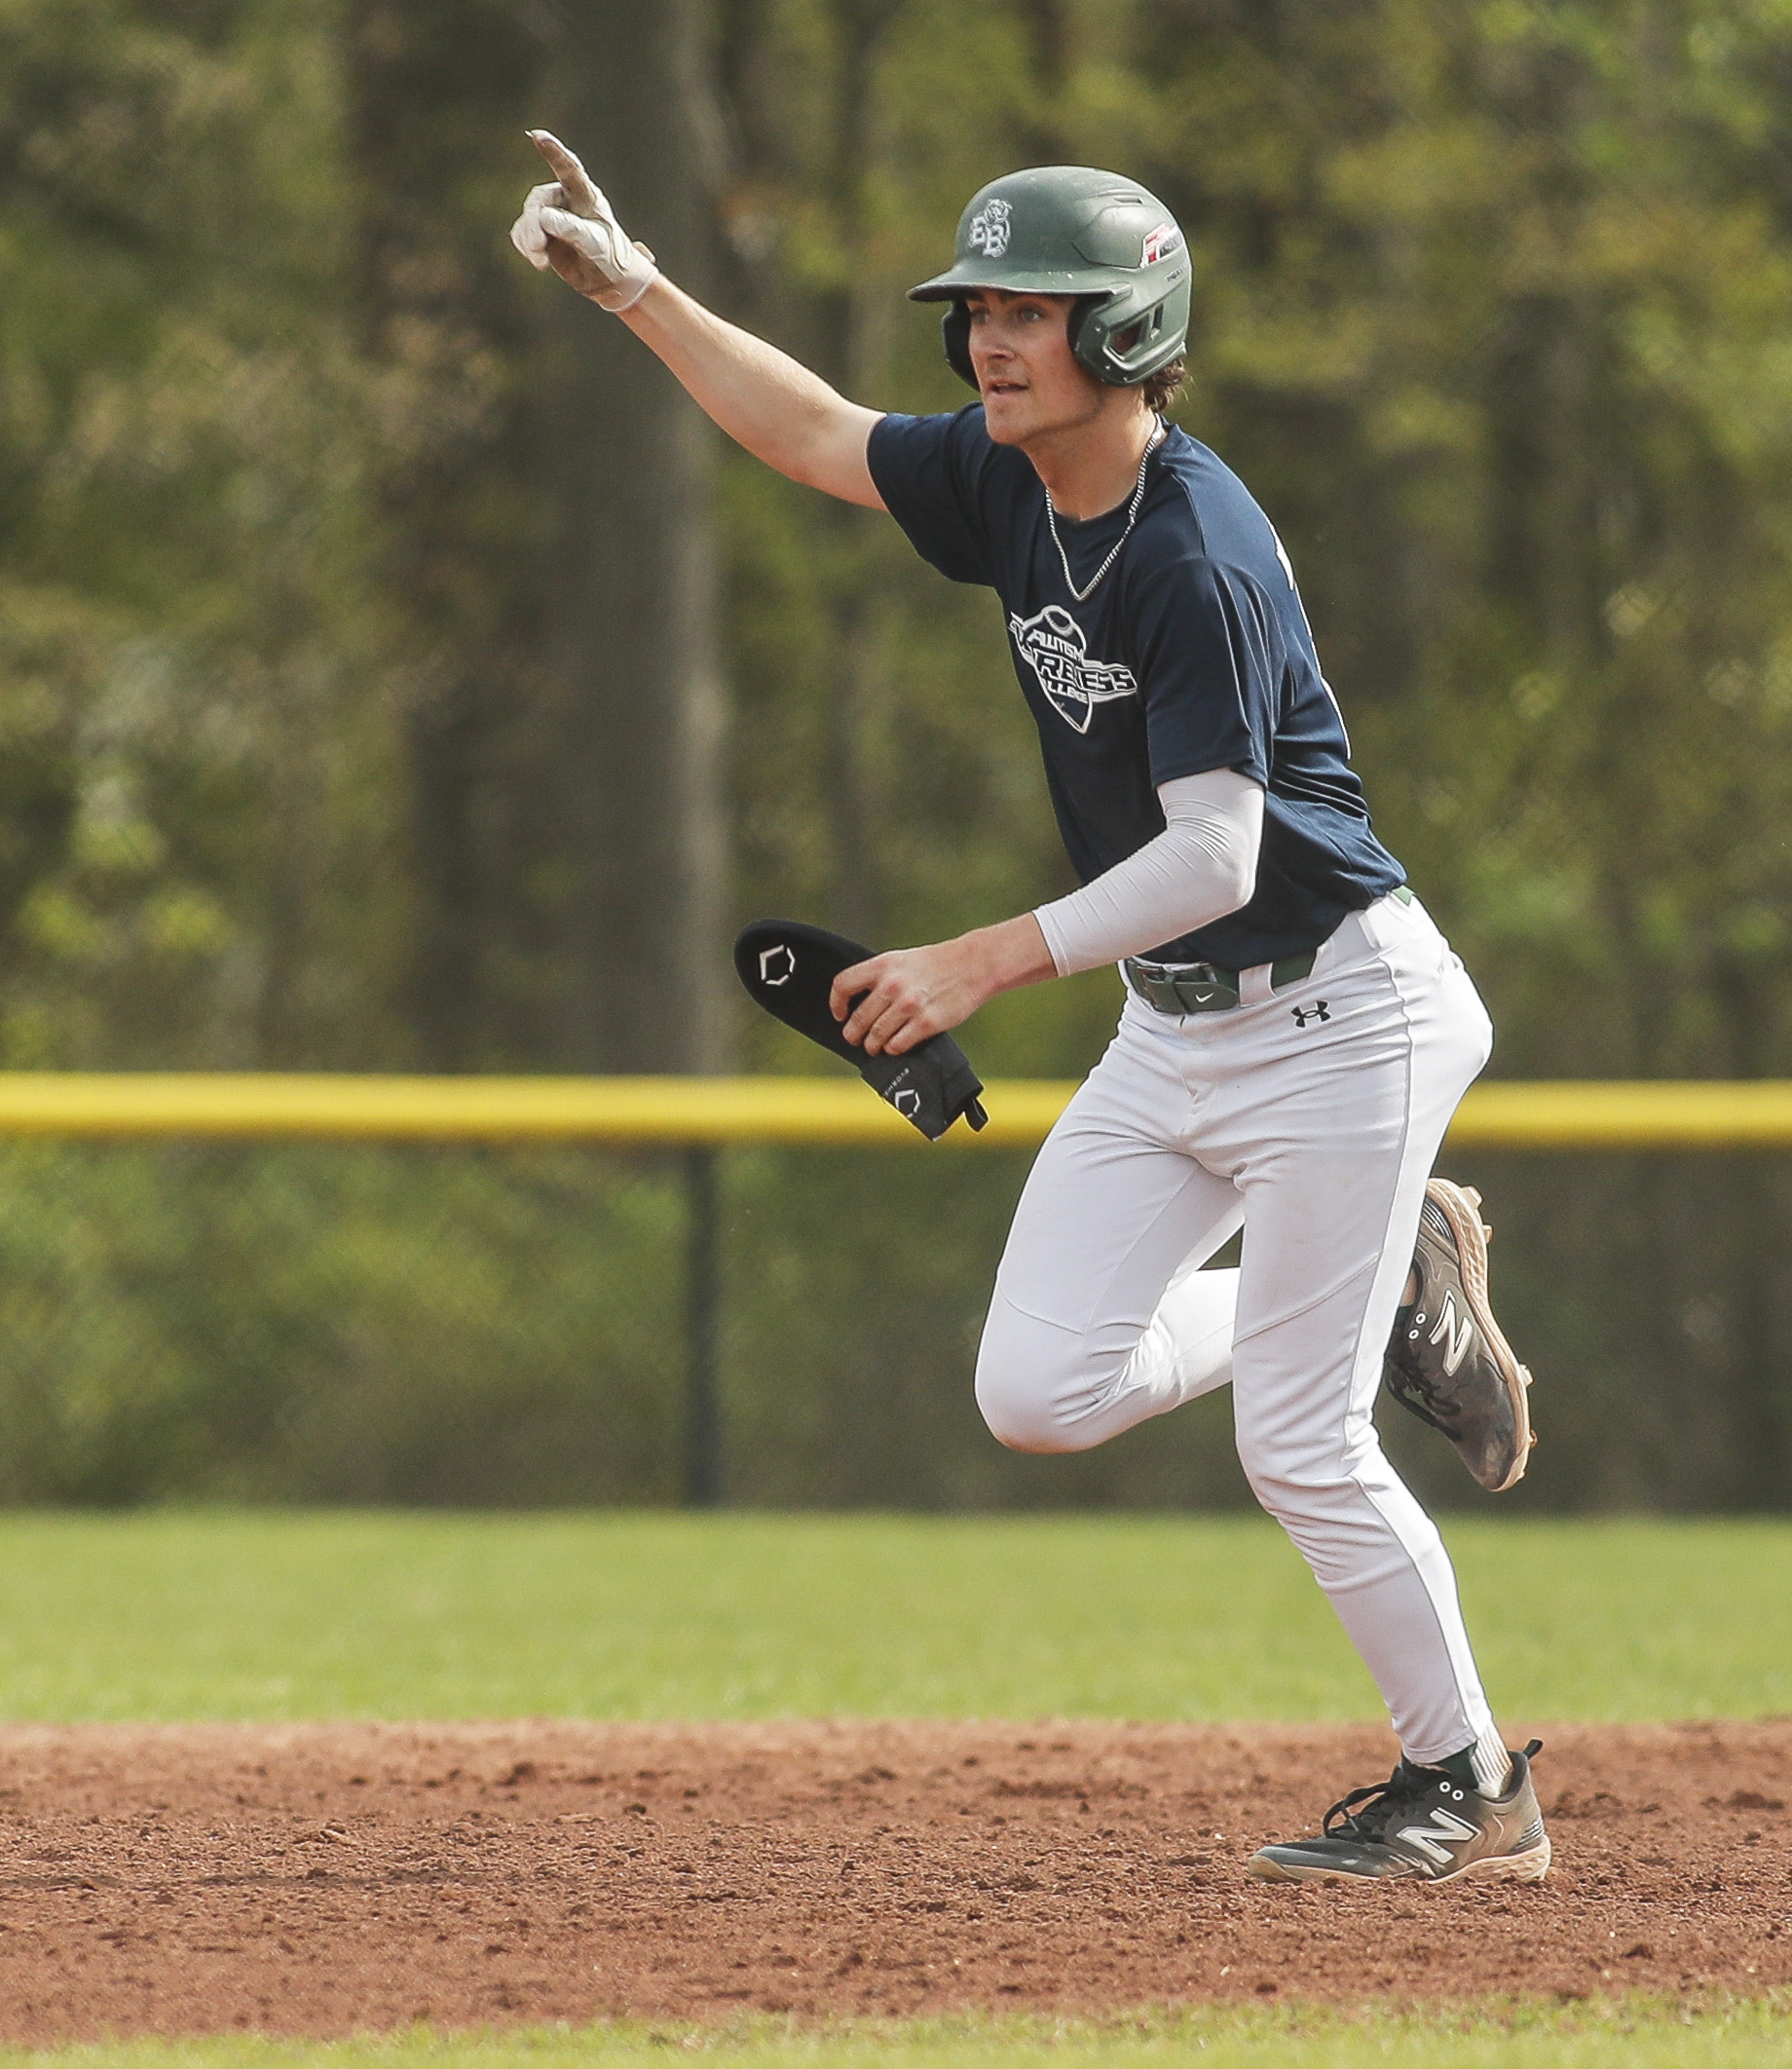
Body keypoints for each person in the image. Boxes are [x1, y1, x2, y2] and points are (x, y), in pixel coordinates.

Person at [513, 136, 1549, 1885]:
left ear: (1127, 330)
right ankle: (1376, 1301)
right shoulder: (1013, 483)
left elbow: (1218, 856)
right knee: (1040, 1391)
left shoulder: (1192, 551)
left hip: (1341, 1018)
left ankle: (1470, 1786)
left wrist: (973, 961)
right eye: (980, 309)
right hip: (1182, 1023)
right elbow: (822, 438)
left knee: (1294, 1447)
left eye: (1034, 313)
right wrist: (638, 291)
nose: (993, 342)